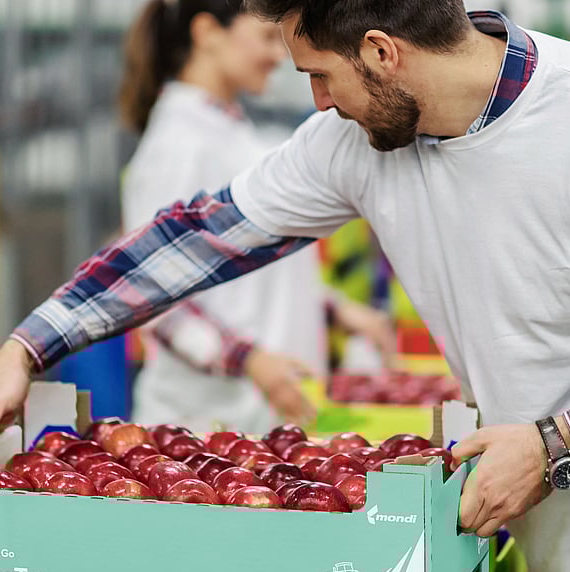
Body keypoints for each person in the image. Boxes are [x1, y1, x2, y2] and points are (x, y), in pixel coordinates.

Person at [0, 1, 570, 572]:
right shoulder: (357, 146)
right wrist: (34, 340)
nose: (319, 103)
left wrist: (555, 446)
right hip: (557, 550)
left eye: (320, 76)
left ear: (381, 53)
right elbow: (206, 235)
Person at [116, 0, 396, 432]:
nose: (278, 54)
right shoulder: (178, 145)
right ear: (208, 33)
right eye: (266, 37)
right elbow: (152, 296)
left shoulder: (227, 130)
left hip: (250, 423)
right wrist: (250, 361)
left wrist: (332, 309)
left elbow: (243, 269)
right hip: (202, 433)